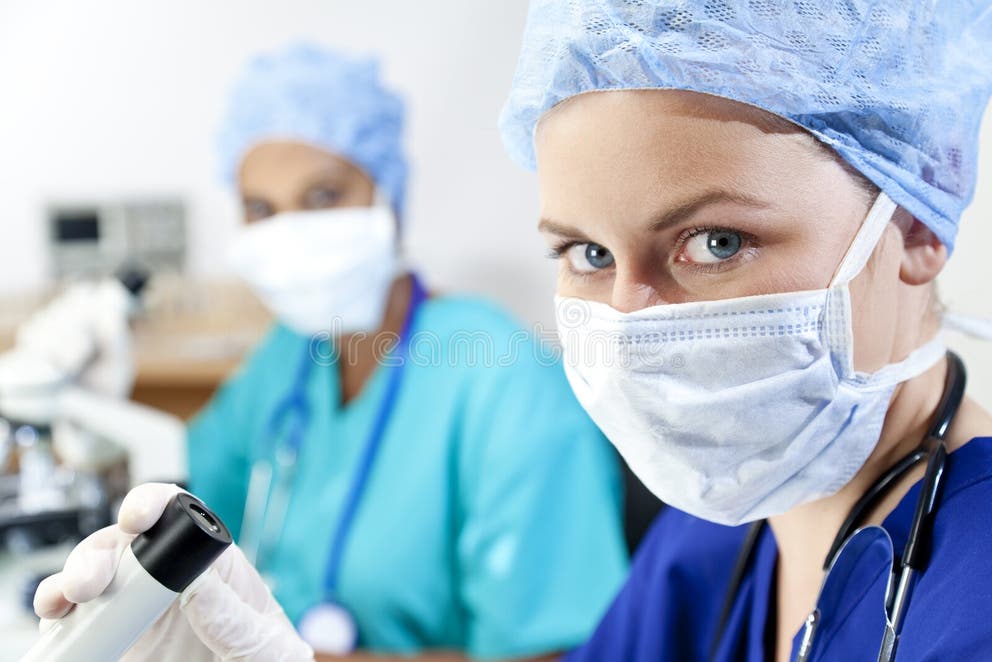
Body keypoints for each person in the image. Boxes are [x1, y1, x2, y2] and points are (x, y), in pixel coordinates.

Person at [31, 43, 628, 661]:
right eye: (261, 208)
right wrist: (98, 424)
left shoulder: (502, 380)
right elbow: (181, 501)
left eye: (322, 197)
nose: (290, 231)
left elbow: (555, 654)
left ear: (388, 196)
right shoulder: (292, 354)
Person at [494, 1, 992, 660]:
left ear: (917, 224)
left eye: (716, 242)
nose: (626, 323)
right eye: (590, 255)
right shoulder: (706, 542)